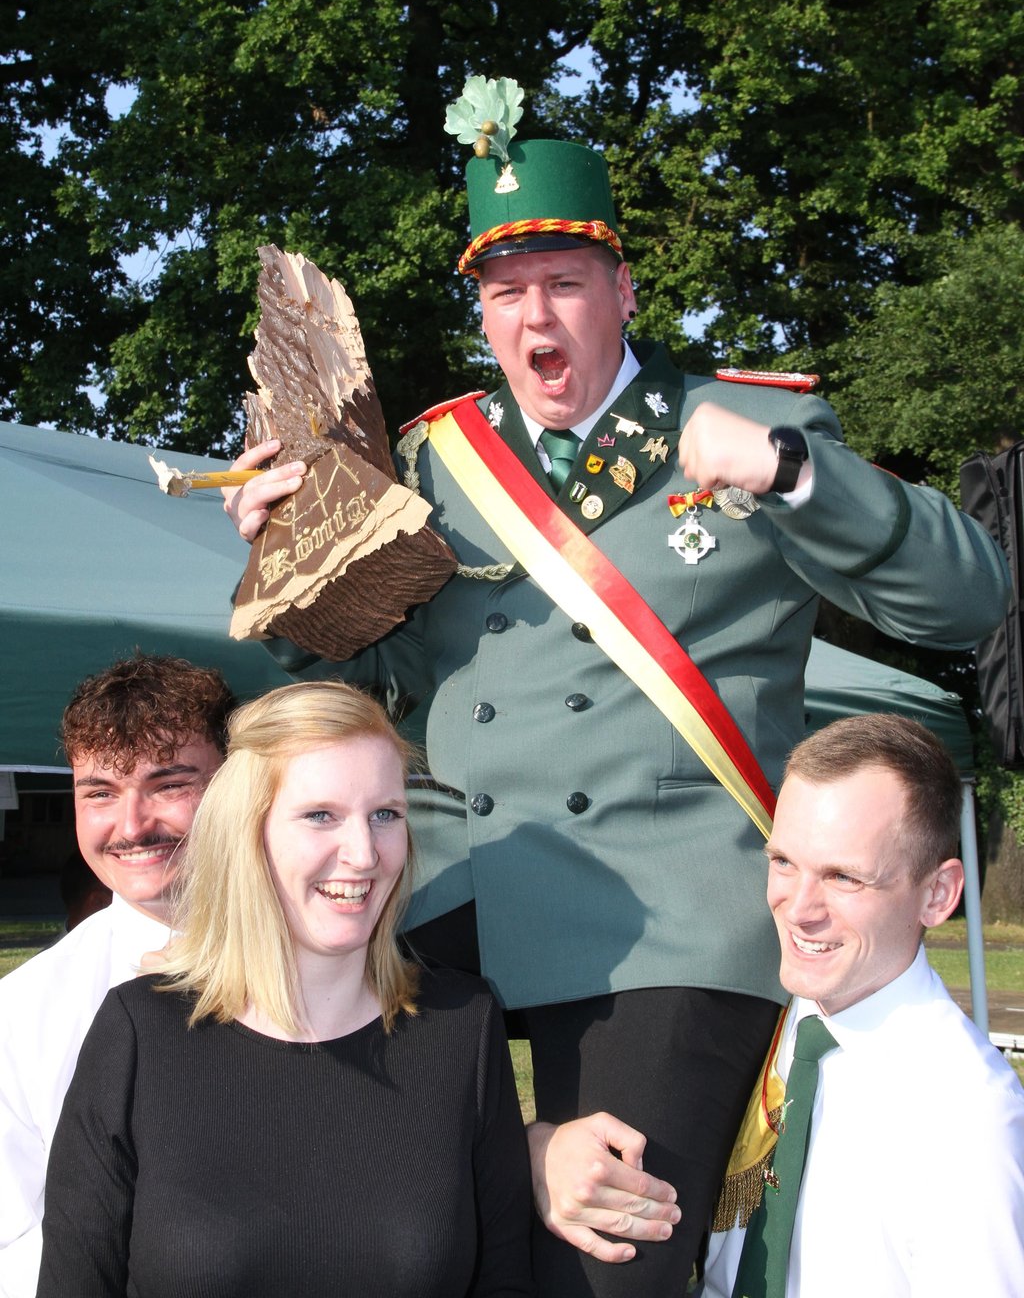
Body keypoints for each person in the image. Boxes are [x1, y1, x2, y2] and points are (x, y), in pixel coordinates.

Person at [223, 115, 1011, 1296]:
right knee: (313, 1174)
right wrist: (289, 574)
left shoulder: (748, 422)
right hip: (458, 880)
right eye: (505, 292)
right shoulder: (432, 464)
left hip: (670, 912)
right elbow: (367, 697)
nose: (534, 317)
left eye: (564, 283)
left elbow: (964, 601)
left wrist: (792, 474)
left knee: (608, 1258)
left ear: (623, 290)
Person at [37, 680, 535, 1298]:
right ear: (248, 834)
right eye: (320, 815)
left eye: (386, 814)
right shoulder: (139, 1032)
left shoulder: (463, 1025)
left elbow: (505, 1279)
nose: (363, 853)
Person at [700, 713, 1024, 1297]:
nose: (798, 908)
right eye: (783, 861)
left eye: (843, 877)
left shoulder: (966, 1117)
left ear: (937, 894)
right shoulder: (774, 1022)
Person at [0, 655, 232, 1298]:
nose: (132, 826)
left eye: (169, 784)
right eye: (100, 792)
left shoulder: (335, 969)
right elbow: (12, 1241)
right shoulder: (21, 1013)